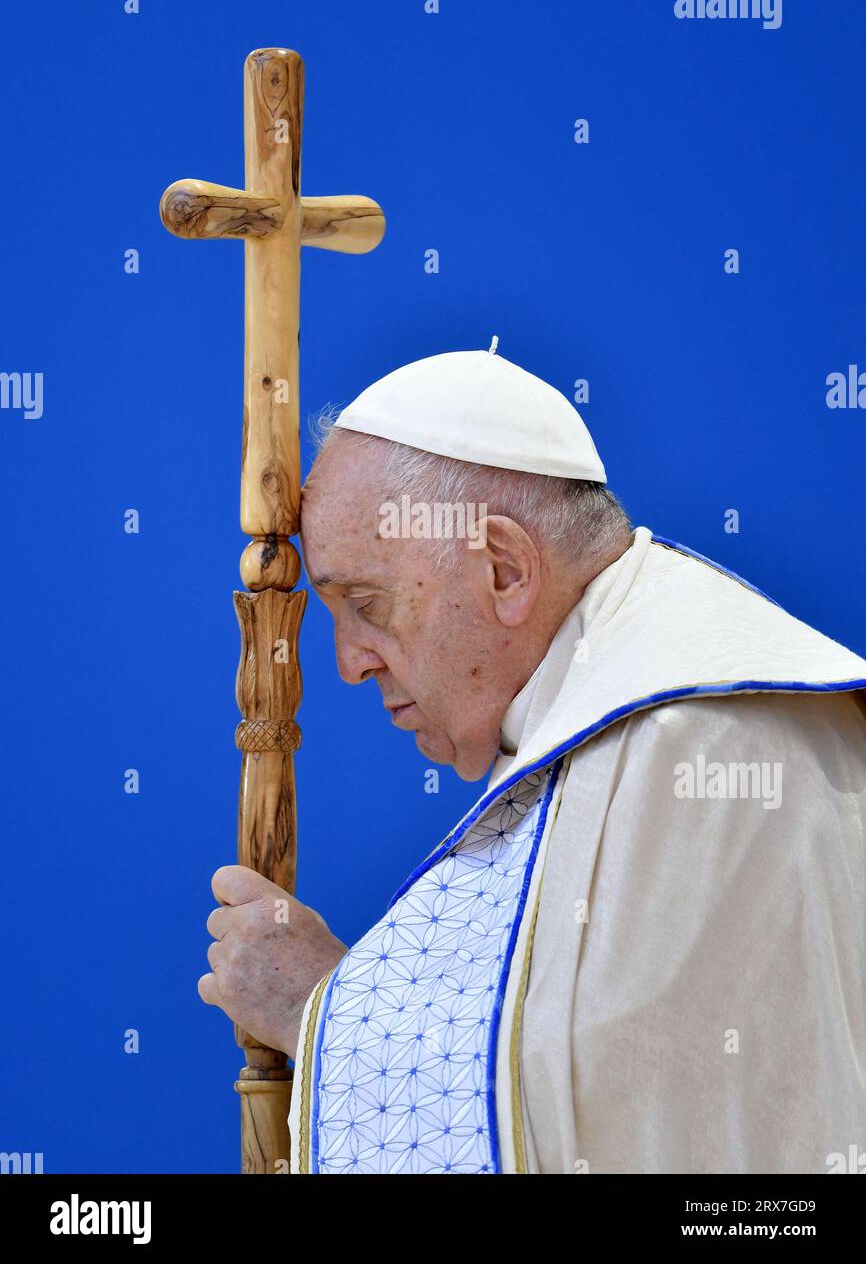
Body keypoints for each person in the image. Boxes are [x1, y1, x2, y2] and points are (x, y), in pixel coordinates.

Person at [199, 345, 866, 1174]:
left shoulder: (703, 743)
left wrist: (326, 1015)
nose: (347, 662)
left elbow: (649, 1115)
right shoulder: (633, 707)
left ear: (506, 569)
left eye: (365, 605)